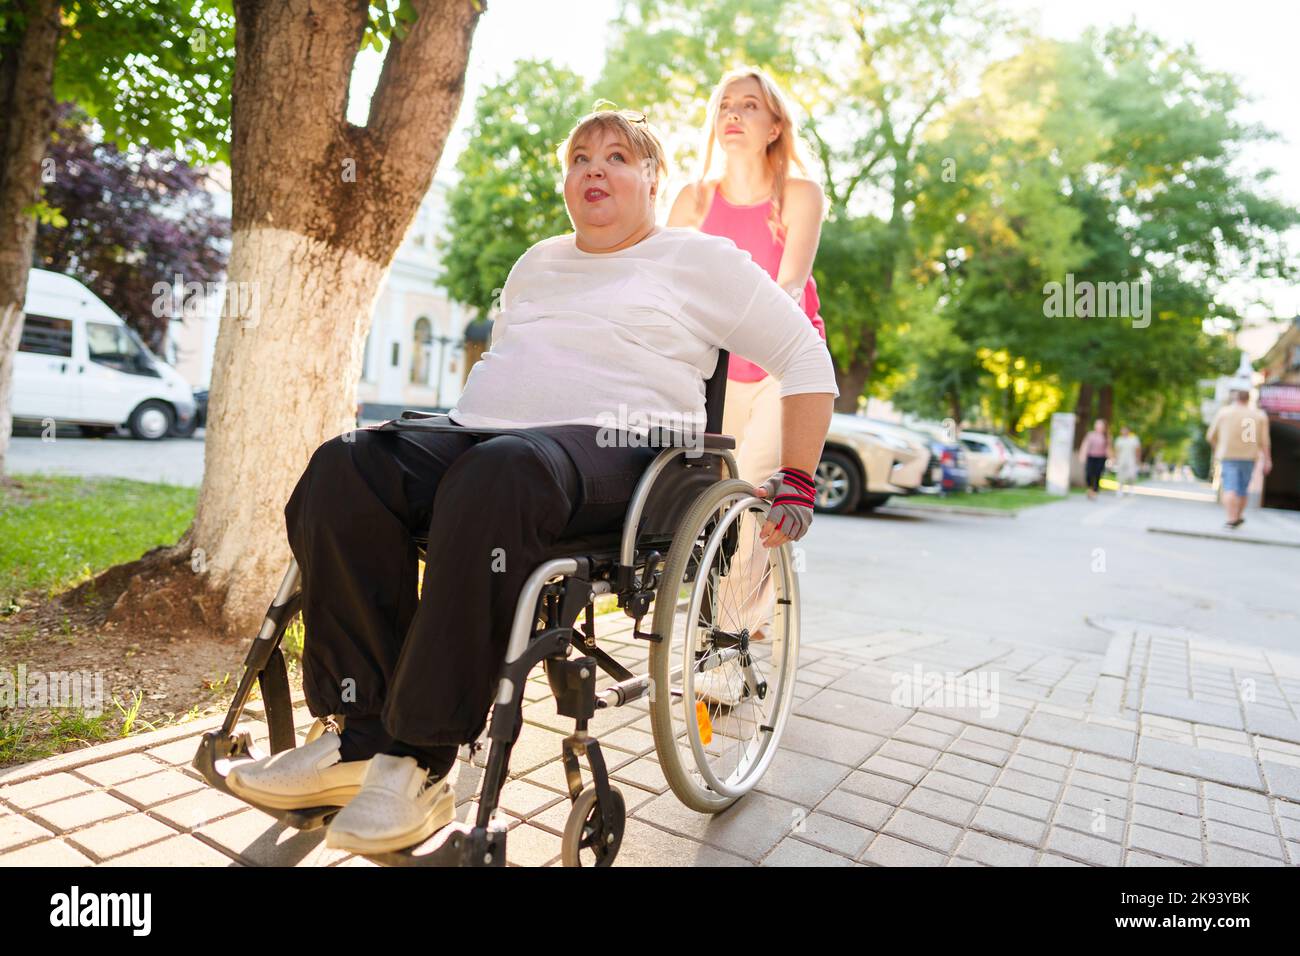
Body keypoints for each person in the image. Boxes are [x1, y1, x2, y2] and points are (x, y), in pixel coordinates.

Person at [222, 108, 839, 856]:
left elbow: (805, 359)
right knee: (345, 466)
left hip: (621, 453)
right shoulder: (538, 261)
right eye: (580, 157)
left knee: (499, 475)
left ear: (653, 179)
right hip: (484, 439)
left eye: (617, 156)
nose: (594, 169)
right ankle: (359, 735)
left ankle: (418, 760)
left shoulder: (699, 260)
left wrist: (798, 481)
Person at [667, 67, 827, 677]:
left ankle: (726, 650)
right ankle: (731, 613)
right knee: (703, 503)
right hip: (714, 368)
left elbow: (789, 284)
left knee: (754, 497)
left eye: (750, 105)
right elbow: (669, 280)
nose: (733, 113)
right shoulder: (693, 199)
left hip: (782, 365)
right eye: (725, 104)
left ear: (774, 125)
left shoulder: (800, 195)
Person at [1207, 388, 1272, 529]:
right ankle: (1237, 516)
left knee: (1230, 487)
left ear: (1235, 398)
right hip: (1249, 456)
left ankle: (1231, 519)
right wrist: (1267, 459)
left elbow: (1210, 436)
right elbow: (1265, 441)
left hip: (1228, 455)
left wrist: (1218, 449)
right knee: (1243, 488)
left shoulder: (1224, 413)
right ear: (1248, 399)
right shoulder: (1259, 415)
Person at [1077, 418, 1110, 499]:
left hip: (1101, 458)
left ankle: (1095, 490)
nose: (1098, 426)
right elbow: (1085, 445)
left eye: (1100, 424)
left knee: (1097, 474)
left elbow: (1108, 448)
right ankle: (1090, 488)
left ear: (1104, 426)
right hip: (1091, 457)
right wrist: (1082, 455)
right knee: (1088, 473)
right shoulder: (1091, 434)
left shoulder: (1106, 436)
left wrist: (1111, 458)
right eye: (1097, 424)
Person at [1113, 426, 1141, 496]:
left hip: (1131, 460)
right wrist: (1115, 459)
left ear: (1128, 431)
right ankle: (1120, 489)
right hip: (1121, 460)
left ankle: (1131, 489)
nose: (1124, 432)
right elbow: (1116, 450)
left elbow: (1138, 450)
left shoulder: (1134, 439)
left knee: (1131, 475)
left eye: (1125, 430)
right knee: (1120, 475)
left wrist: (1138, 459)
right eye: (1122, 430)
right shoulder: (1119, 439)